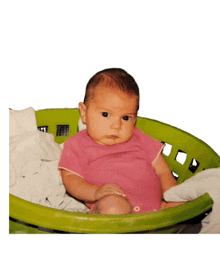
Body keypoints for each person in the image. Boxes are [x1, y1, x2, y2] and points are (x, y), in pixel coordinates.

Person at [58, 68, 184, 215]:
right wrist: (95, 192)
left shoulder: (140, 138)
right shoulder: (77, 144)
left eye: (125, 118)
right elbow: (71, 180)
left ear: (135, 119)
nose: (116, 125)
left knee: (186, 202)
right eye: (106, 114)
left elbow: (163, 171)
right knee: (114, 207)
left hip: (157, 210)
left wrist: (171, 197)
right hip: (115, 211)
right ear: (84, 113)